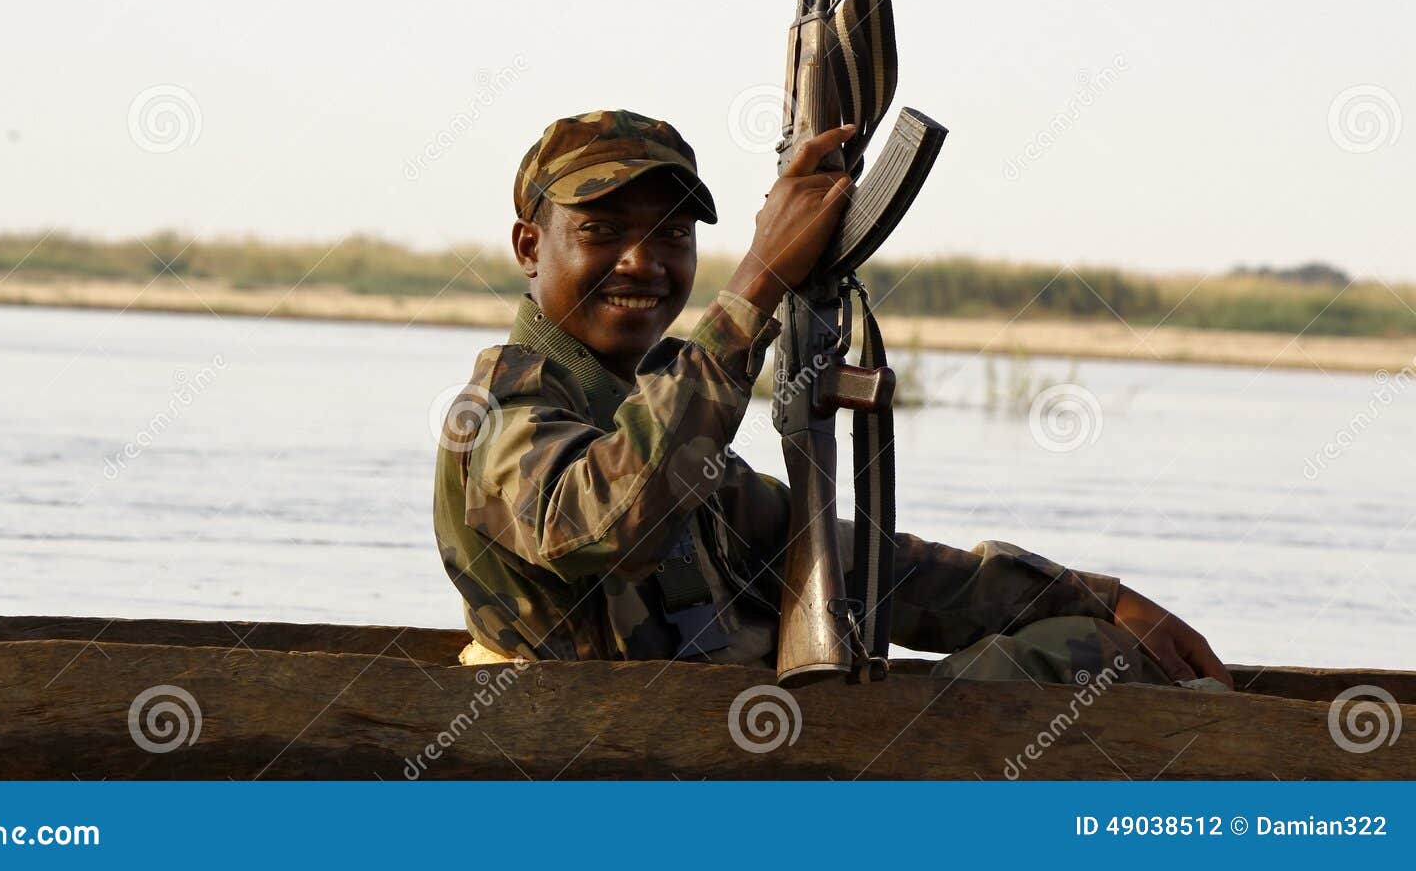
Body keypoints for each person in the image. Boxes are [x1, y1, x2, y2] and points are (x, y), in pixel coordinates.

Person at [432, 109, 1231, 689]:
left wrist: (1096, 594)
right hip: (647, 765)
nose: (643, 262)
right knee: (1086, 664)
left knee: (1088, 639)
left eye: (674, 234)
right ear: (530, 248)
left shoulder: (640, 404)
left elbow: (864, 566)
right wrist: (756, 285)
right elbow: (598, 520)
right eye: (603, 231)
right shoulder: (505, 410)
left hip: (747, 742)